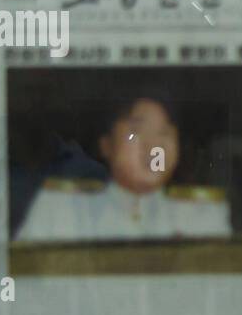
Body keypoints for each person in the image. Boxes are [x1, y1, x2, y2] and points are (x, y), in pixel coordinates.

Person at [16, 95, 231, 242]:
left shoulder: (202, 214)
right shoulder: (59, 208)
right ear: (106, 145)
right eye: (135, 133)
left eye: (163, 133)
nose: (152, 146)